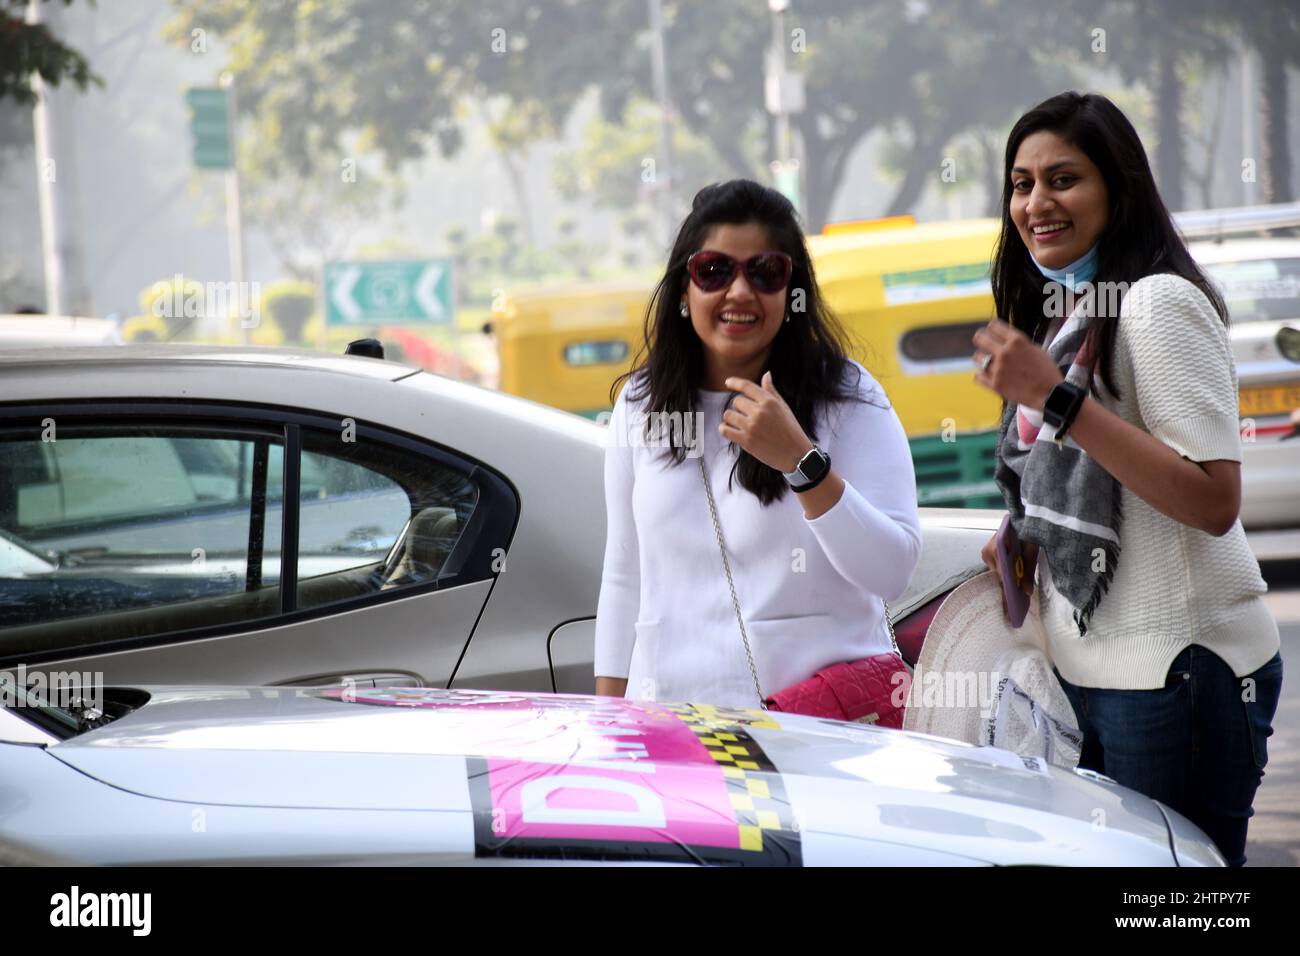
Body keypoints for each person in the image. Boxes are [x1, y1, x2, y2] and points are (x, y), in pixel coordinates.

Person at [973, 91, 1283, 866]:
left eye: (1063, 179)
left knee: (1171, 908)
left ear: (1120, 187)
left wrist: (1055, 398)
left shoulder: (1156, 304)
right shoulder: (1072, 313)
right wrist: (1027, 538)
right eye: (1021, 183)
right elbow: (1088, 482)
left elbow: (1213, 499)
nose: (1037, 202)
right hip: (1095, 673)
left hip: (1180, 674)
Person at [594, 179, 921, 709]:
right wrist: (607, 720)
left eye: (766, 272)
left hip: (818, 732)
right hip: (674, 732)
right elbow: (623, 574)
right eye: (714, 271)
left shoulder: (847, 396)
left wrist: (801, 463)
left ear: (792, 293)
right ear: (684, 288)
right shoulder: (640, 403)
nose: (740, 292)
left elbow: (892, 573)